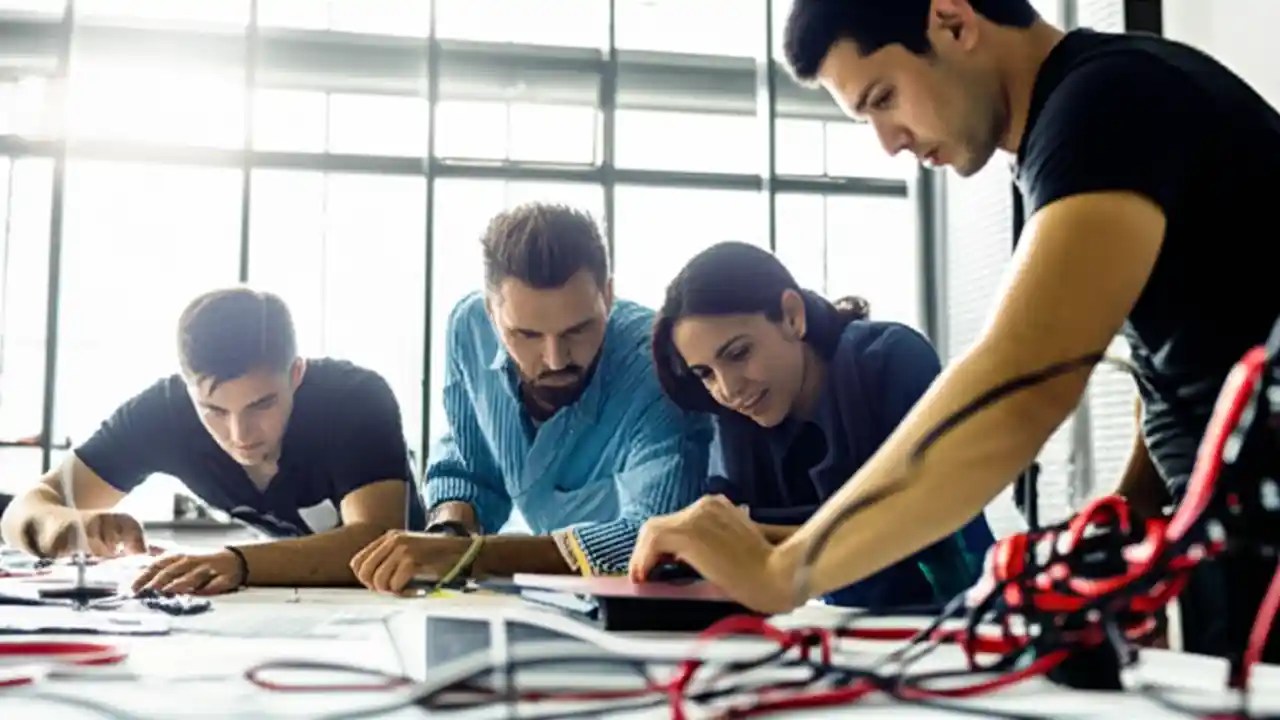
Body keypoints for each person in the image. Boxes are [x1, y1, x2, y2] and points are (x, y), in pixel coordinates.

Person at [628, 0, 1280, 663]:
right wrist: (1129, 509)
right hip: (1228, 539)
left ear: (953, 22)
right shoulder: (1088, 115)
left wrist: (787, 569)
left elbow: (1022, 380)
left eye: (884, 98)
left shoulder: (1103, 104)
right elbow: (1179, 353)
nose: (888, 142)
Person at [350, 203, 711, 593]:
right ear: (491, 311)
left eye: (578, 330)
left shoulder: (657, 363)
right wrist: (447, 534)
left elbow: (657, 537)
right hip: (532, 596)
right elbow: (473, 467)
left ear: (607, 295)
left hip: (637, 608)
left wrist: (468, 557)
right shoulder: (468, 328)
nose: (555, 359)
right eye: (526, 335)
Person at [638, 241, 993, 610]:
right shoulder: (734, 419)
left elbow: (917, 533)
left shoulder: (891, 361)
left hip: (961, 620)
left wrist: (753, 540)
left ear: (792, 316)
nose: (728, 389)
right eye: (706, 374)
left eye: (739, 353)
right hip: (833, 631)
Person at [0, 288, 423, 595]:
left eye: (262, 404)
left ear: (296, 374)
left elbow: (378, 541)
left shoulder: (354, 399)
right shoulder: (163, 413)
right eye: (214, 411)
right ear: (187, 391)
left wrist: (237, 561)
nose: (240, 435)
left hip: (420, 591)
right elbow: (24, 508)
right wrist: (66, 526)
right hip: (293, 602)